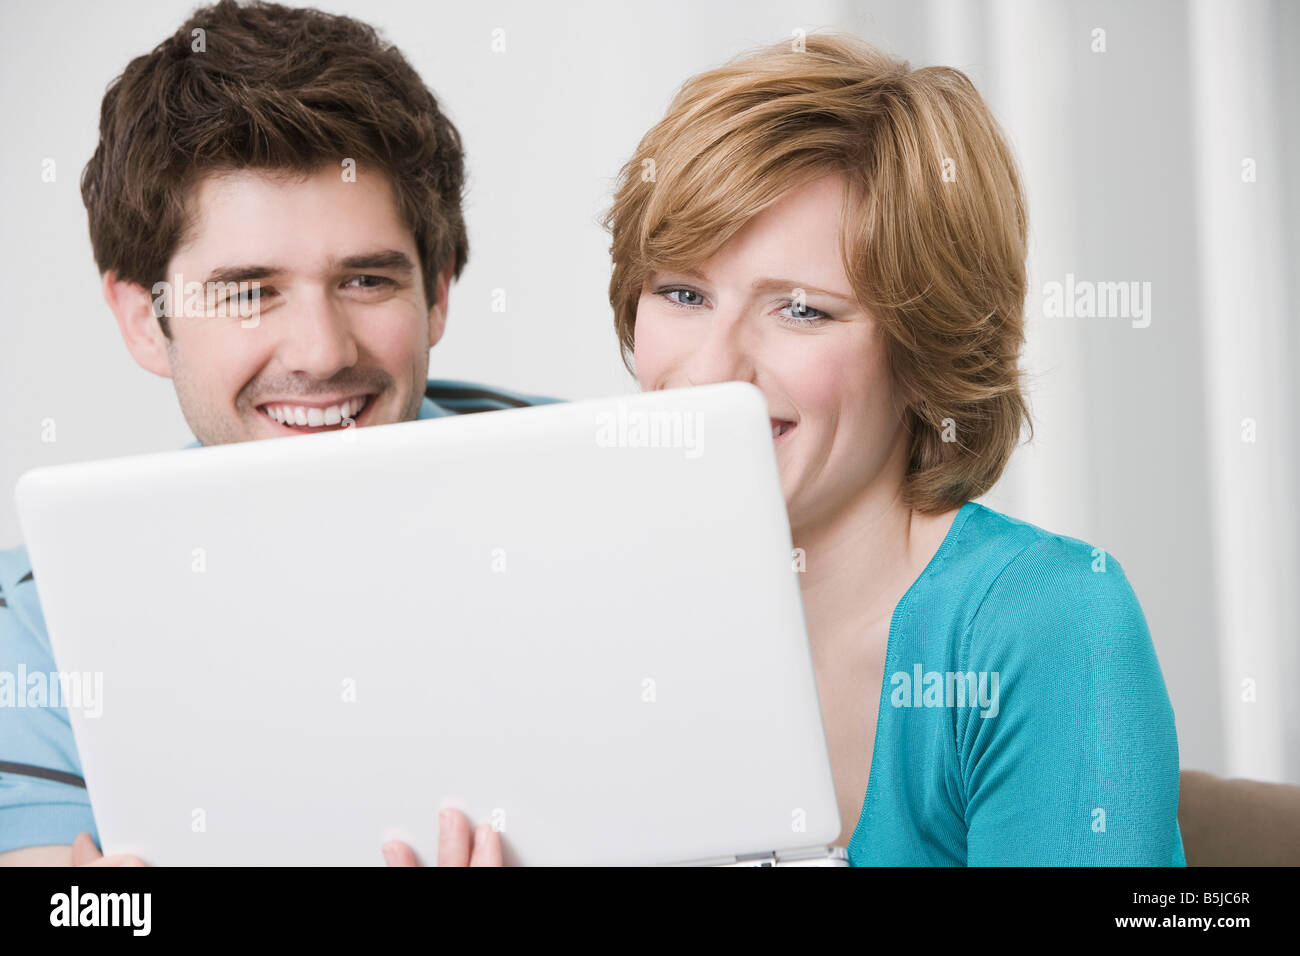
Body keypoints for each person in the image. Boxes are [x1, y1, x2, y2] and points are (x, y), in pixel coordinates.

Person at [404, 33, 1184, 866]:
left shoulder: (1047, 624)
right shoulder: (570, 617)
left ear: (925, 357)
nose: (712, 370)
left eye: (802, 310)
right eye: (681, 292)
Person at [0, 0, 557, 866]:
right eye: (248, 290)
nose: (321, 351)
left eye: (368, 280)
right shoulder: (36, 621)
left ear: (439, 291)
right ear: (145, 320)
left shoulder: (598, 487)